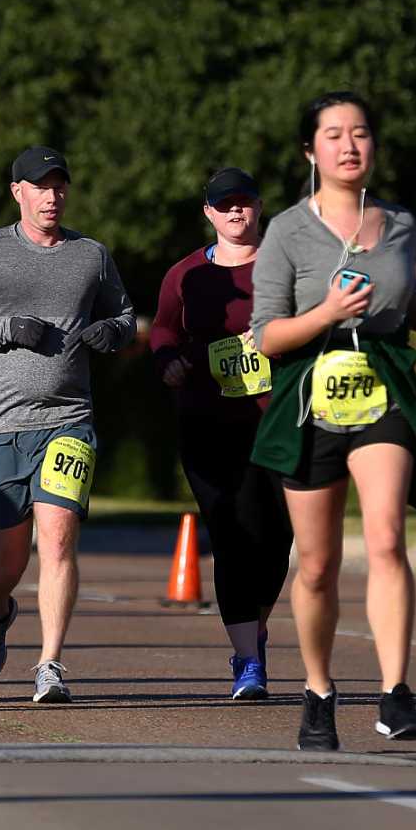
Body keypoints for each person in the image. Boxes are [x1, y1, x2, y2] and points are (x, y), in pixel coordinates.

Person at [245, 100, 416, 748]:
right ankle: (318, 690)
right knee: (315, 565)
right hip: (309, 395)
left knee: (388, 538)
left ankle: (395, 692)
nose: (349, 145)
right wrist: (327, 310)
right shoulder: (285, 230)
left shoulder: (398, 223)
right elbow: (266, 335)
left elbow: (402, 287)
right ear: (310, 151)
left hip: (383, 390)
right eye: (333, 135)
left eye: (360, 133)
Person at [0, 145, 136, 705]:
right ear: (18, 192)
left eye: (59, 185)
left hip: (68, 419)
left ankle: (50, 663)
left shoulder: (90, 254)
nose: (52, 196)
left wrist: (112, 334)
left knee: (59, 538)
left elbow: (124, 314)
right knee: (7, 555)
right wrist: (4, 330)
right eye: (40, 186)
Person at [153, 167, 292, 702]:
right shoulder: (185, 273)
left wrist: (280, 334)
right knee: (232, 534)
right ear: (208, 213)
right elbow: (164, 326)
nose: (237, 212)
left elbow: (316, 322)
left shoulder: (285, 265)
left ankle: (254, 629)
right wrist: (167, 359)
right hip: (208, 421)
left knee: (276, 537)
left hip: (277, 419)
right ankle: (248, 660)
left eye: (245, 203)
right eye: (225, 205)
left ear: (259, 208)